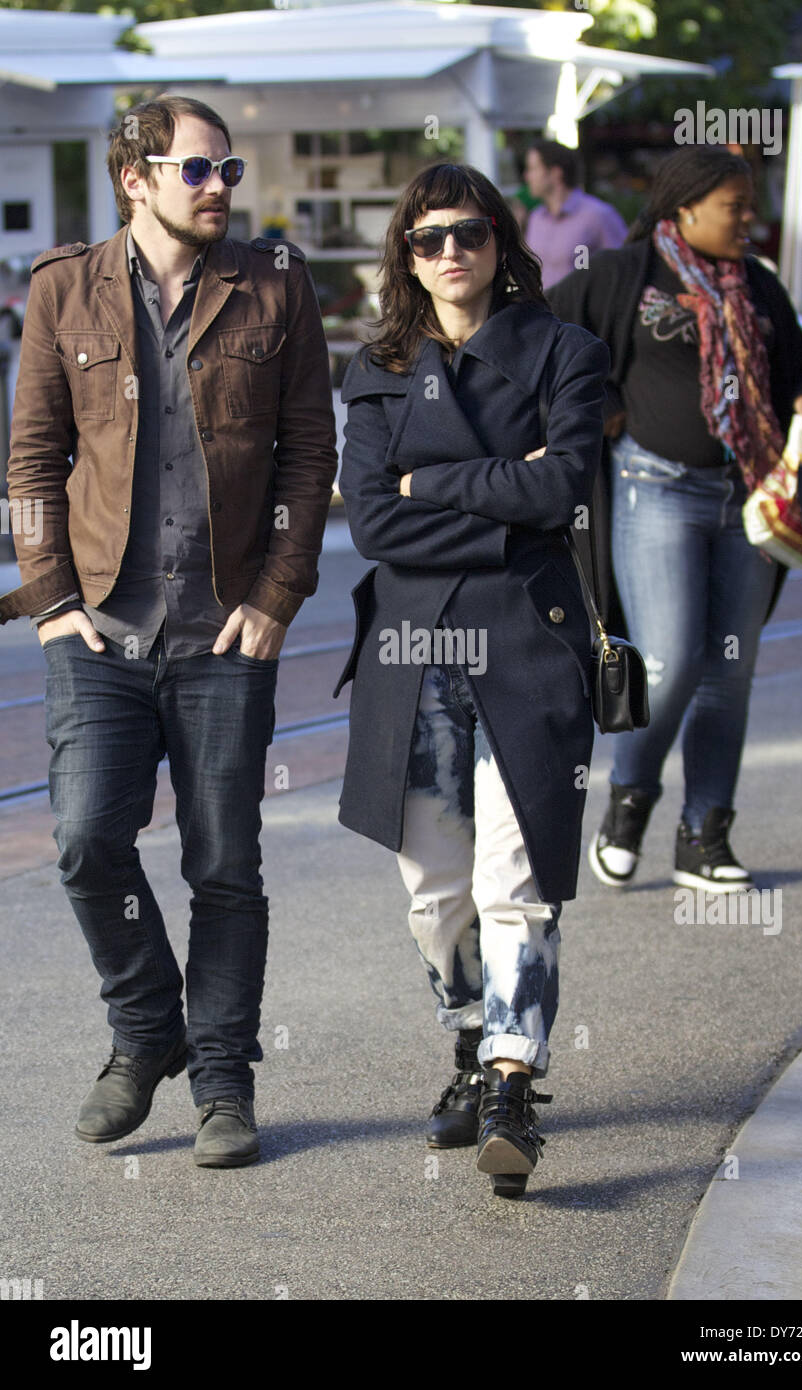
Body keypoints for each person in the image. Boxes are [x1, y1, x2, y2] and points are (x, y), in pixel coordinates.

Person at [0, 96, 337, 1166]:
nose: (219, 188)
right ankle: (147, 1031)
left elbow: (307, 458)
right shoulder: (64, 288)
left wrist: (277, 597)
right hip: (99, 627)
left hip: (222, 630)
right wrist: (49, 600)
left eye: (227, 170)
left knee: (224, 863)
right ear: (135, 178)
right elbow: (31, 462)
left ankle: (224, 1078)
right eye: (197, 170)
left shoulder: (275, 285)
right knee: (89, 840)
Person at [335, 163, 609, 1197]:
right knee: (432, 895)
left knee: (516, 881)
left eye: (468, 232)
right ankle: (465, 1040)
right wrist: (489, 492)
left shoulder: (563, 351)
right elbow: (371, 519)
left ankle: (509, 1084)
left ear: (501, 241)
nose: (449, 252)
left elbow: (557, 487)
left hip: (527, 645)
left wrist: (431, 483)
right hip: (408, 655)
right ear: (405, 255)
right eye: (426, 237)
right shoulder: (379, 367)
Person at [546, 146, 802, 892]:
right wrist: (597, 407)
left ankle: (706, 834)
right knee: (670, 662)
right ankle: (631, 796)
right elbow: (545, 337)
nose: (749, 219)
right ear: (685, 209)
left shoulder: (758, 286)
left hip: (749, 500)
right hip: (655, 490)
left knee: (729, 671)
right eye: (735, 207)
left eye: (749, 205)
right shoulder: (620, 274)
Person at [524, 139, 627, 289]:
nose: (527, 176)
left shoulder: (598, 215)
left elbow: (623, 268)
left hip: (582, 310)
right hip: (540, 310)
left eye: (533, 169)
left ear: (555, 173)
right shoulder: (536, 218)